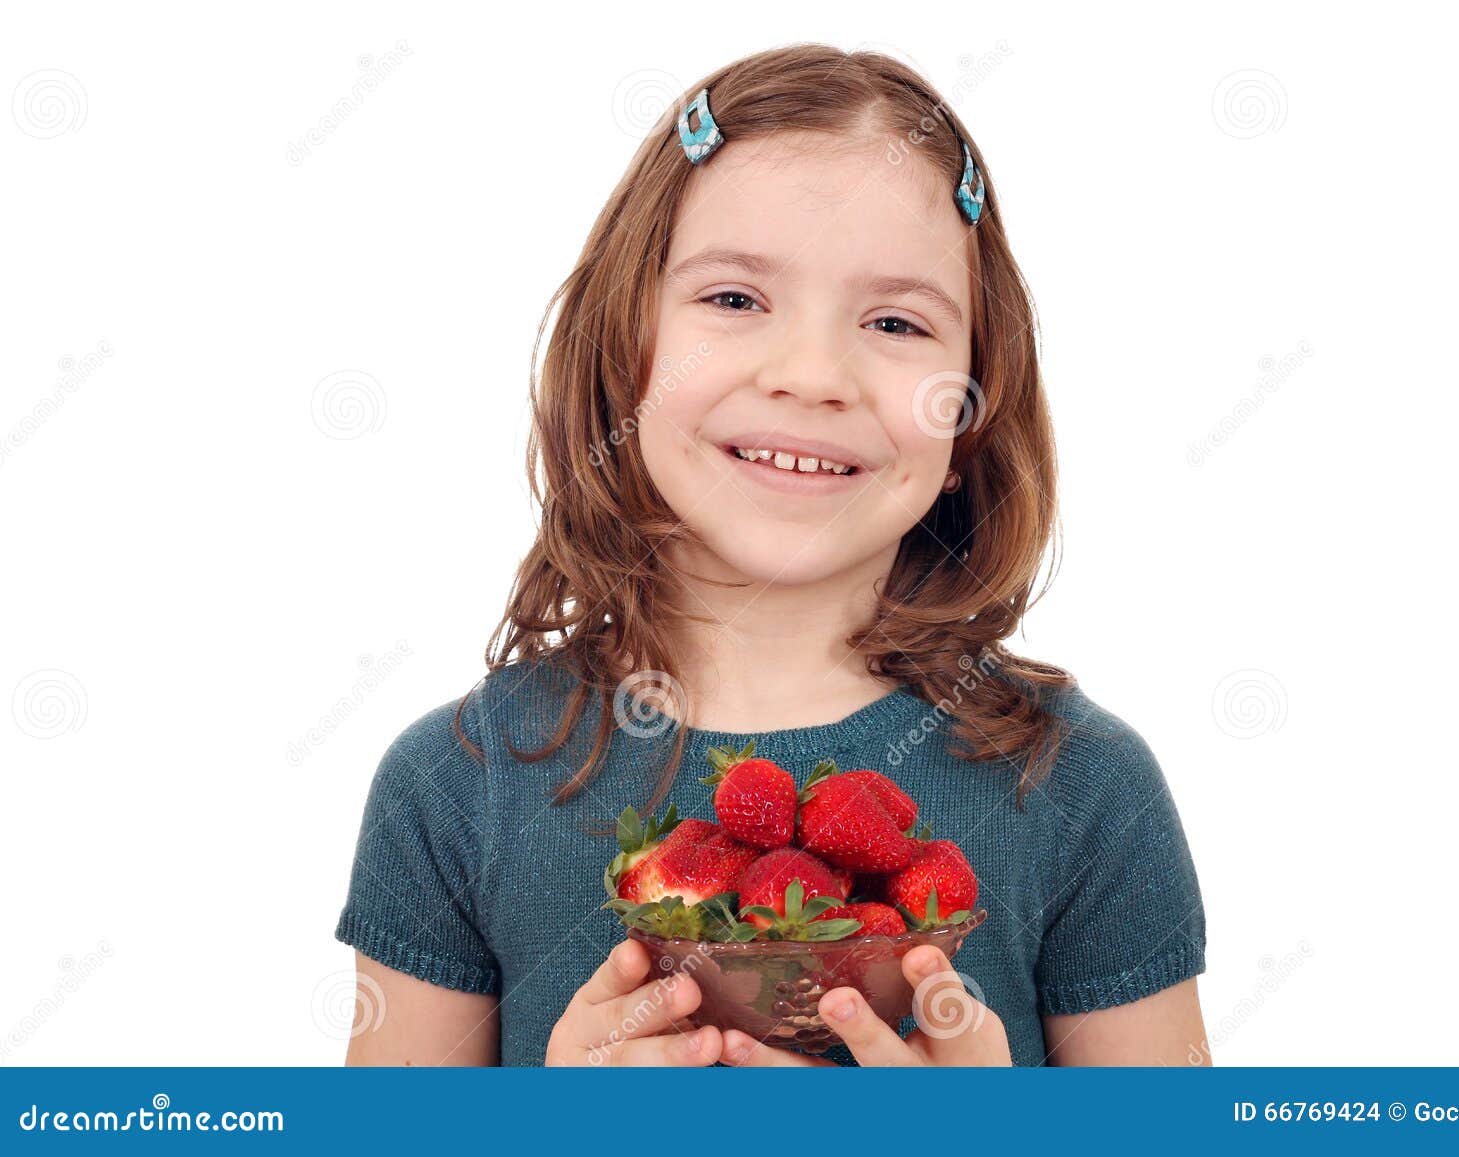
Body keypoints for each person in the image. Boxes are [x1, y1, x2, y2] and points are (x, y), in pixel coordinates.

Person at [336, 43, 1208, 1067]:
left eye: (894, 320)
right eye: (736, 300)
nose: (810, 373)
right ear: (626, 349)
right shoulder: (457, 786)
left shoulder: (1082, 786)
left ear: (973, 412)